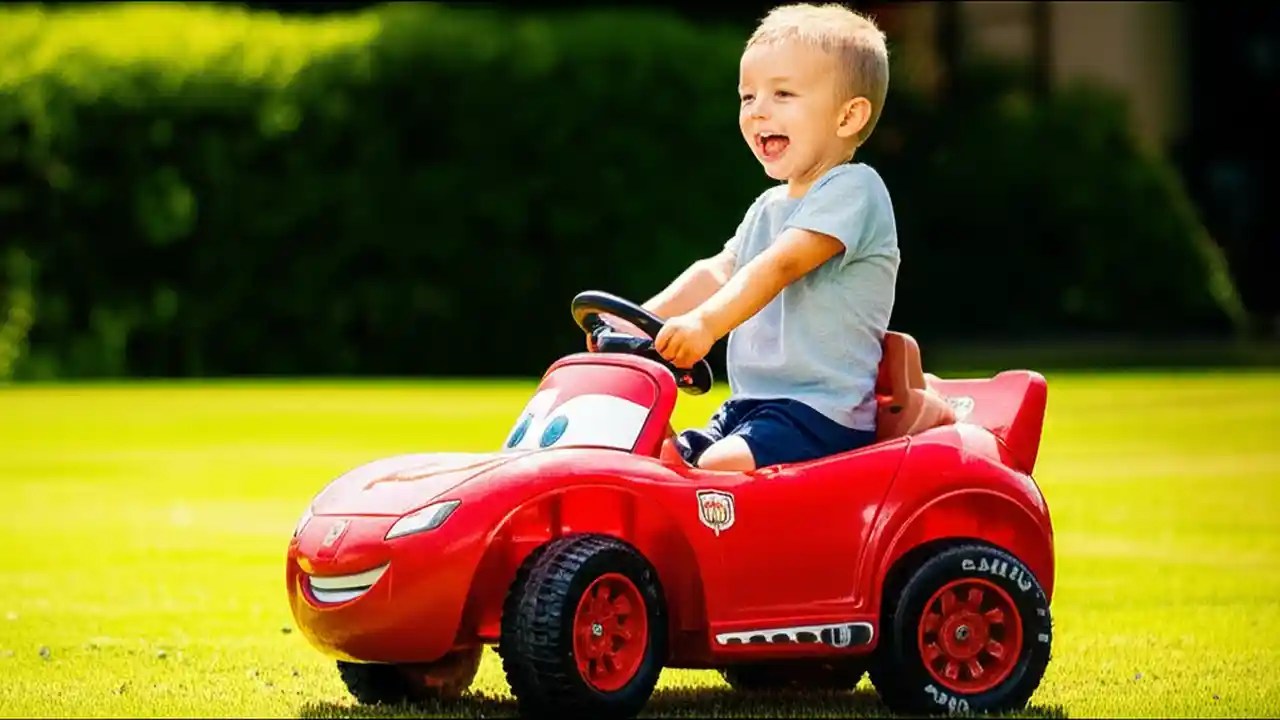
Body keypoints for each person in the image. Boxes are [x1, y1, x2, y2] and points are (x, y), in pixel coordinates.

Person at [593, 2, 900, 471]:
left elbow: (780, 265)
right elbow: (717, 271)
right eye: (748, 97)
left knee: (715, 468)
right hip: (748, 407)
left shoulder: (855, 189)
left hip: (820, 414)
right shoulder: (768, 206)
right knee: (656, 454)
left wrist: (704, 325)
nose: (758, 111)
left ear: (847, 117)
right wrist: (636, 323)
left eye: (782, 94)